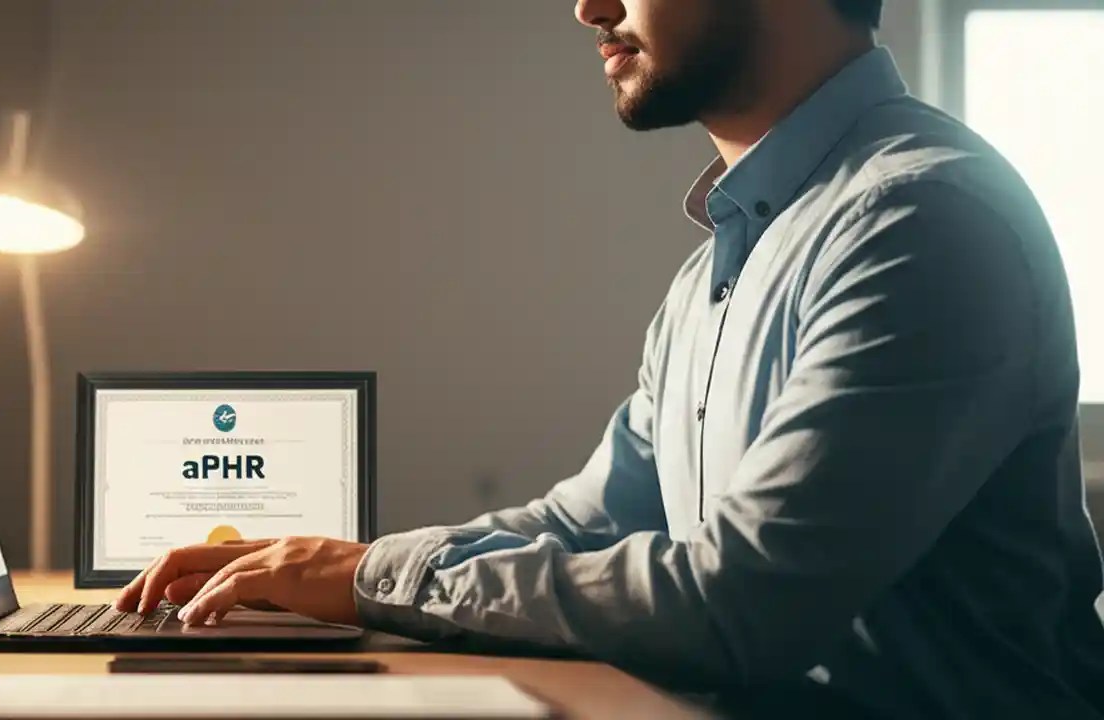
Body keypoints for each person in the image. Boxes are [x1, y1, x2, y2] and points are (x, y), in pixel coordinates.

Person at [116, 0, 1104, 715]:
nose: (587, 7)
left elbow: (740, 606)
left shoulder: (920, 222)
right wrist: (318, 568)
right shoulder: (715, 272)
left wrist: (372, 575)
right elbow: (585, 523)